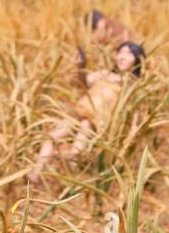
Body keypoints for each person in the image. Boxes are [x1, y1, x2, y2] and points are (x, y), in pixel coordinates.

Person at [32, 38, 146, 184]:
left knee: (76, 151)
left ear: (137, 61)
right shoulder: (104, 74)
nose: (123, 57)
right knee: (51, 137)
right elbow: (84, 81)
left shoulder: (132, 84)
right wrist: (80, 66)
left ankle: (70, 184)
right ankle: (35, 173)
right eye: (121, 52)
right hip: (79, 113)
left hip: (96, 123)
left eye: (129, 54)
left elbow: (135, 110)